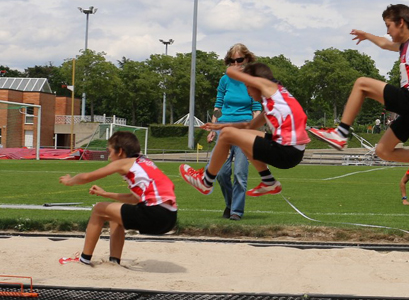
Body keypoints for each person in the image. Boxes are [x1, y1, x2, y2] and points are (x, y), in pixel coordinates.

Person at [308, 0, 409, 183]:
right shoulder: (403, 46)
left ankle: (340, 133)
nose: (387, 31)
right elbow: (385, 43)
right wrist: (366, 35)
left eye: (389, 25)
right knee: (383, 150)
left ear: (401, 22)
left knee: (361, 83)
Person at [179, 62, 307, 196]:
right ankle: (268, 181)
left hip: (286, 152)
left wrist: (237, 67)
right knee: (240, 134)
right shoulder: (274, 101)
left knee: (227, 134)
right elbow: (249, 126)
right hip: (292, 151)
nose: (247, 92)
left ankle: (206, 182)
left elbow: (230, 72)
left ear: (256, 82)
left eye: (248, 86)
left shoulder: (269, 87)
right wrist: (219, 125)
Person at [58, 132, 177, 266]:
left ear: (120, 151)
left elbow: (87, 177)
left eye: (110, 152)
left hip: (154, 214)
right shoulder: (145, 162)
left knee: (98, 209)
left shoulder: (124, 163)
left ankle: (84, 259)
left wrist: (70, 181)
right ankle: (114, 261)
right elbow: (134, 198)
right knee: (115, 215)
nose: (109, 156)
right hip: (169, 217)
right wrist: (105, 194)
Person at [206, 43, 262, 221]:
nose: (236, 63)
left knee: (239, 173)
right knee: (221, 173)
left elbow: (256, 107)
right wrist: (213, 127)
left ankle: (236, 211)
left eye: (239, 60)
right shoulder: (225, 80)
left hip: (244, 129)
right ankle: (230, 204)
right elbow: (218, 105)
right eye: (232, 60)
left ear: (247, 59)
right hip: (224, 128)